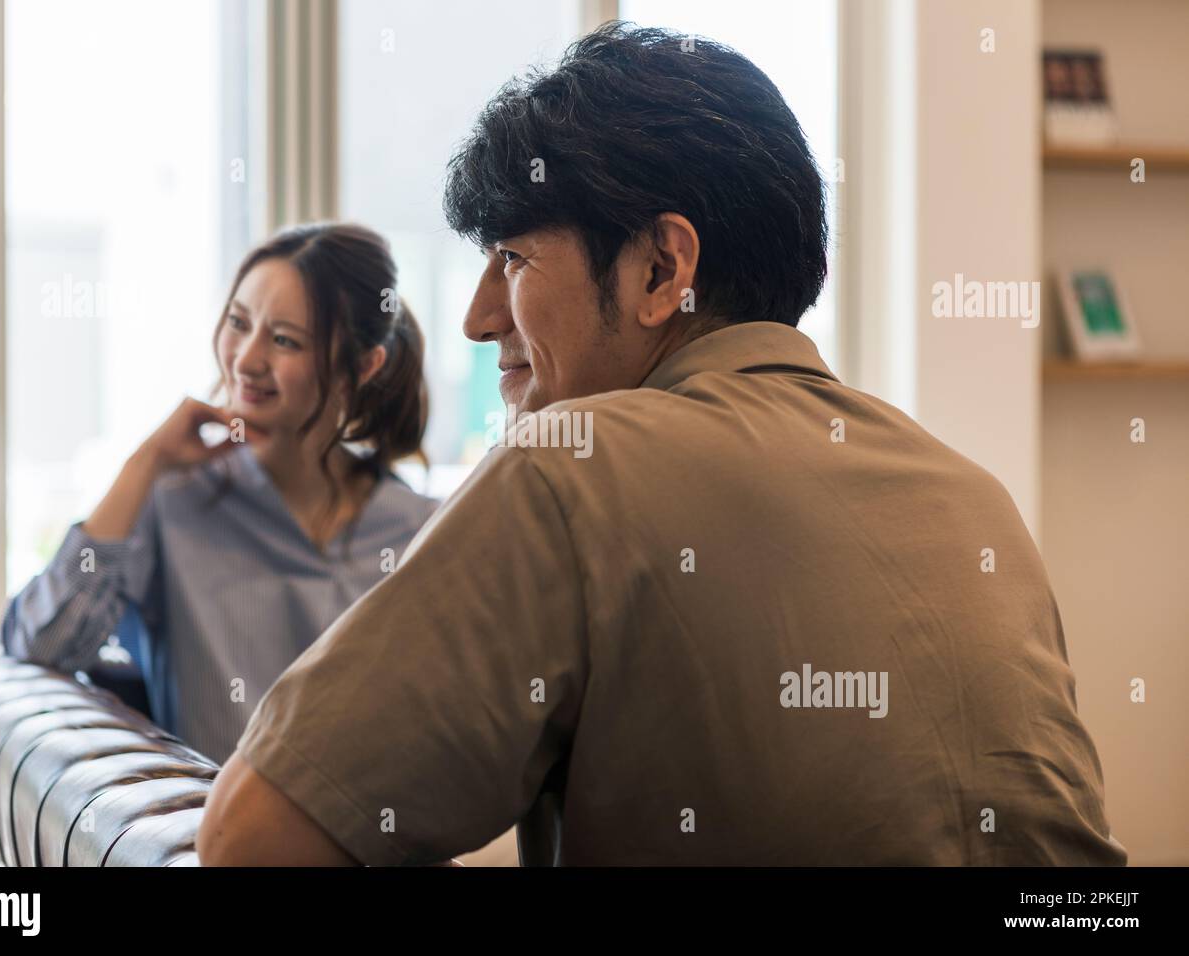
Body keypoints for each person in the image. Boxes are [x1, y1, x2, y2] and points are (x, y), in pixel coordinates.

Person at [198, 23, 1124, 866]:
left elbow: (250, 840)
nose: (481, 320)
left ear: (660, 269)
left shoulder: (573, 463)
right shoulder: (974, 498)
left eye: (514, 260)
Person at [1, 222, 438, 765]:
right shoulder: (174, 500)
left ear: (362, 366)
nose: (246, 360)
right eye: (238, 323)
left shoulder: (421, 530)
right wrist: (145, 462)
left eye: (284, 340)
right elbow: (45, 644)